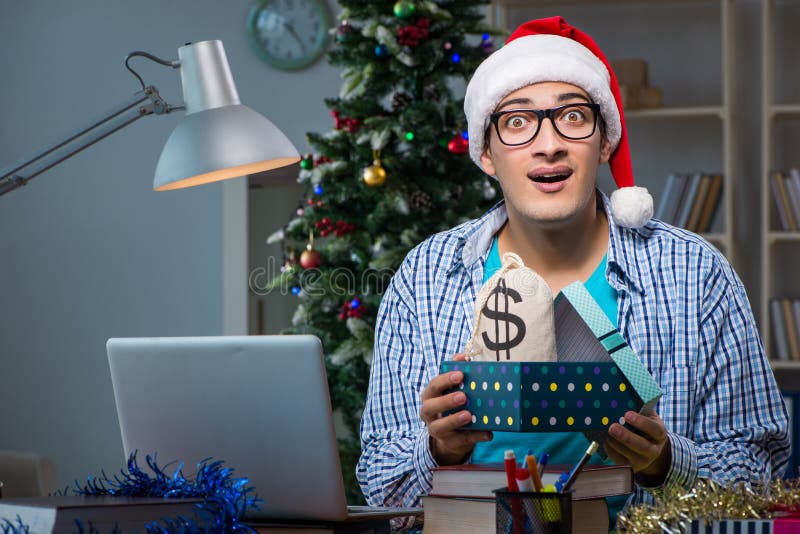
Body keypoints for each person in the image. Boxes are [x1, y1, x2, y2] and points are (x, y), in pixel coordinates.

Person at [356, 15, 789, 524]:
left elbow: (763, 478)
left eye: (574, 117)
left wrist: (667, 463)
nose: (548, 143)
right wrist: (437, 451)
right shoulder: (426, 276)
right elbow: (383, 490)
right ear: (486, 153)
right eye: (517, 122)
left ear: (604, 142)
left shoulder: (695, 273)